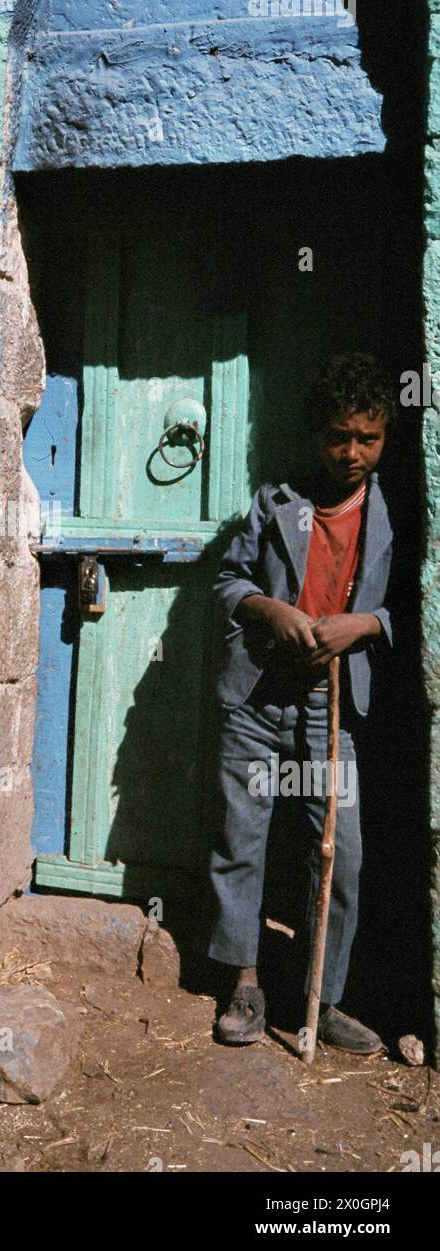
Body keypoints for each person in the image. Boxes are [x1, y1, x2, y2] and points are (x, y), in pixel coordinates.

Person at [205, 351, 397, 1053]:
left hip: (331, 706)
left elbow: (409, 607)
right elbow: (226, 582)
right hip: (260, 701)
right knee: (242, 839)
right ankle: (245, 984)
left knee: (337, 854)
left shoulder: (392, 515)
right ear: (318, 434)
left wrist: (366, 624)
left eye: (367, 437)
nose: (351, 452)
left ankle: (325, 992)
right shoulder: (276, 501)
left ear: (385, 437)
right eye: (338, 435)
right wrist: (267, 608)